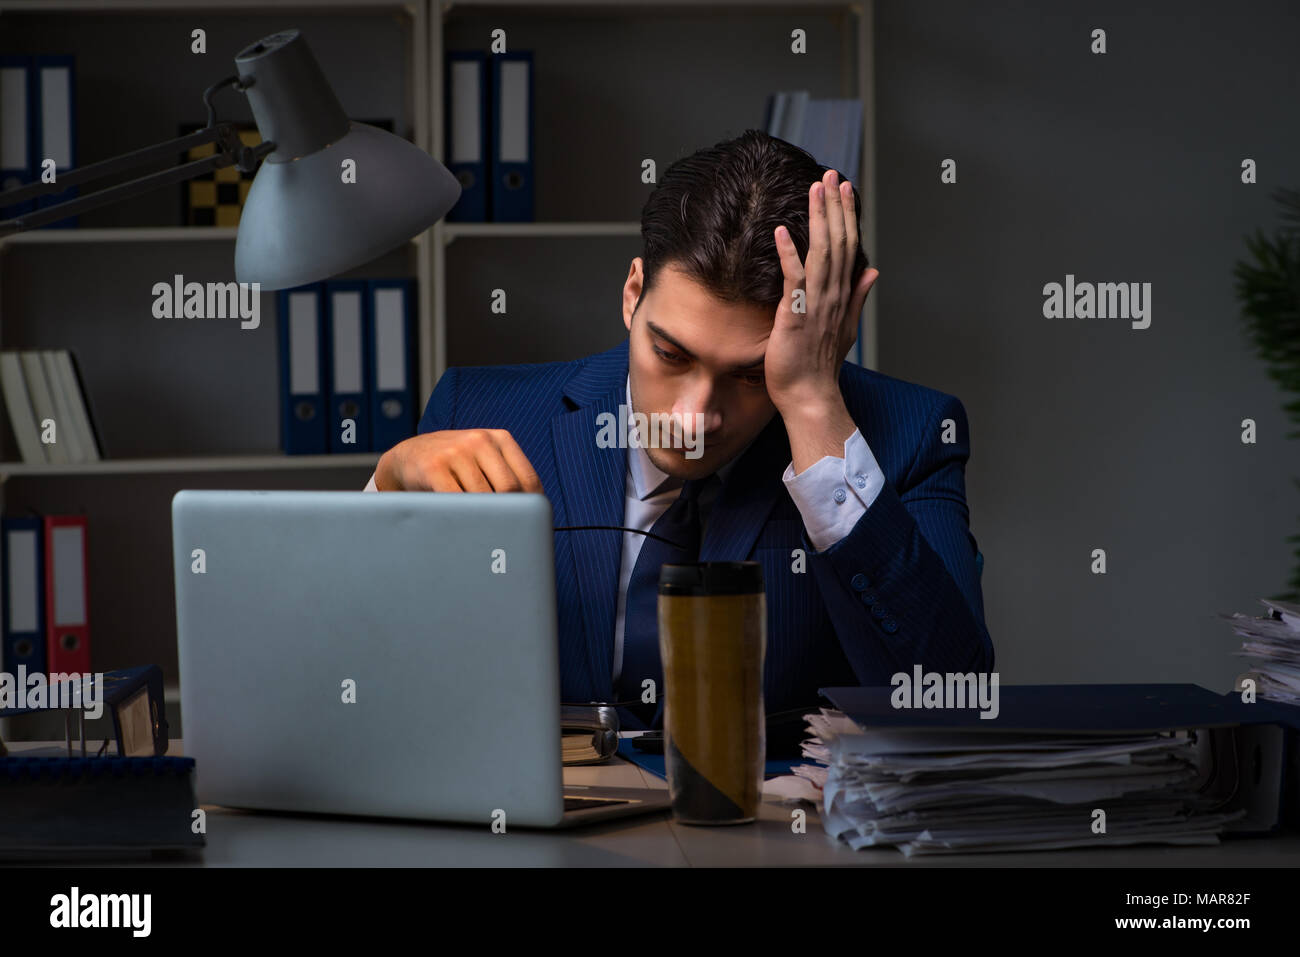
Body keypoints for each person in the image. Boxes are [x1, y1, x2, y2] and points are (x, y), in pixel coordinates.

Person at [364, 129, 993, 730]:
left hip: (771, 841)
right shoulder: (471, 412)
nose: (695, 419)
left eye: (752, 374)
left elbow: (950, 707)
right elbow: (364, 681)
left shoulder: (908, 435)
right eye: (671, 355)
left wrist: (810, 403)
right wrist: (381, 509)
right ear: (633, 293)